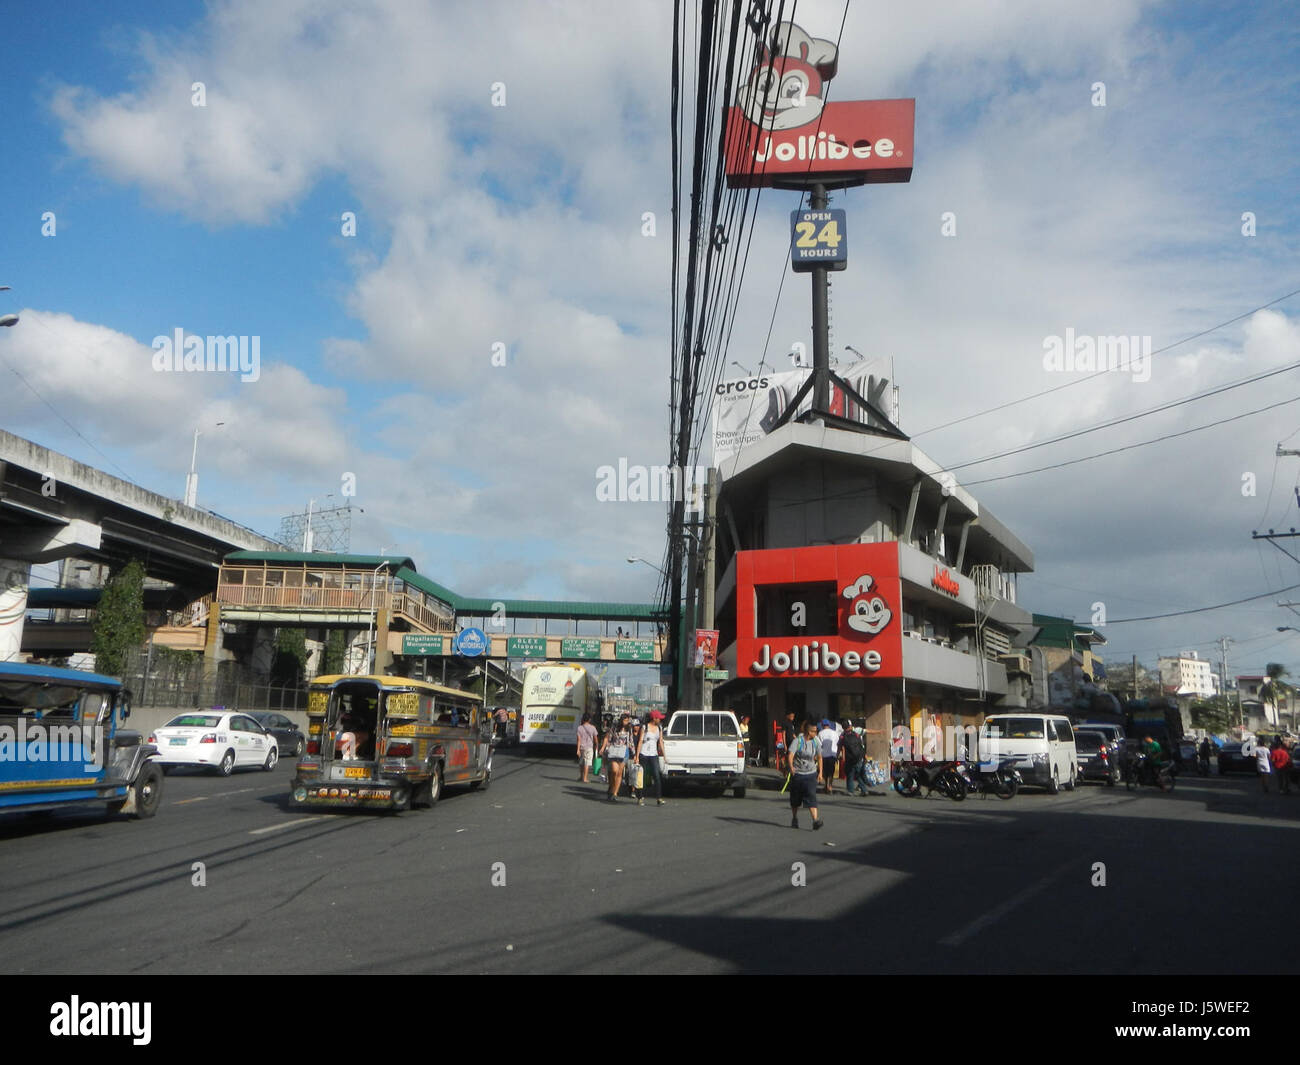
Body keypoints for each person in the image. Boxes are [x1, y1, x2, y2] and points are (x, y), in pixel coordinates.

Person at [788, 719, 824, 830]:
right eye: (814, 731)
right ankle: (794, 818)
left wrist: (820, 772)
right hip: (798, 774)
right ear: (809, 732)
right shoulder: (798, 741)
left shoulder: (815, 741)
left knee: (811, 796)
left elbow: (819, 757)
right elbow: (790, 755)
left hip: (811, 774)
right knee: (795, 799)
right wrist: (791, 768)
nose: (816, 733)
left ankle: (815, 820)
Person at [633, 709, 667, 806]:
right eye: (659, 718)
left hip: (654, 754)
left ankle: (659, 798)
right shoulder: (645, 727)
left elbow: (660, 741)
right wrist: (637, 756)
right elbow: (640, 741)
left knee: (656, 776)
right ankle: (640, 797)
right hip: (643, 754)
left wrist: (664, 755)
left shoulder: (659, 728)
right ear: (654, 718)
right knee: (641, 777)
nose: (660, 720)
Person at [600, 712, 635, 801]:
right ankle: (611, 787)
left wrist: (634, 754)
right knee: (614, 771)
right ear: (621, 720)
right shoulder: (615, 727)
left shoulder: (629, 729)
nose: (626, 722)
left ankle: (614, 792)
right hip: (614, 750)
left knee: (619, 773)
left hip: (624, 752)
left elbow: (630, 741)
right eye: (625, 720)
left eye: (627, 720)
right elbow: (609, 738)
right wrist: (604, 748)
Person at [817, 719, 840, 794]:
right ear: (829, 725)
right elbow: (837, 743)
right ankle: (830, 786)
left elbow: (819, 745)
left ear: (822, 725)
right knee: (831, 771)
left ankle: (826, 785)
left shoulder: (820, 733)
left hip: (824, 755)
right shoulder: (835, 733)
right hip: (833, 754)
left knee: (825, 771)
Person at [576, 712, 598, 783]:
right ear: (589, 719)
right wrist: (597, 746)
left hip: (582, 747)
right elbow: (595, 739)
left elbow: (578, 740)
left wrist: (578, 750)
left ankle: (581, 776)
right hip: (589, 747)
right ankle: (585, 778)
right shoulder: (593, 728)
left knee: (581, 762)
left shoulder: (579, 728)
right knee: (587, 763)